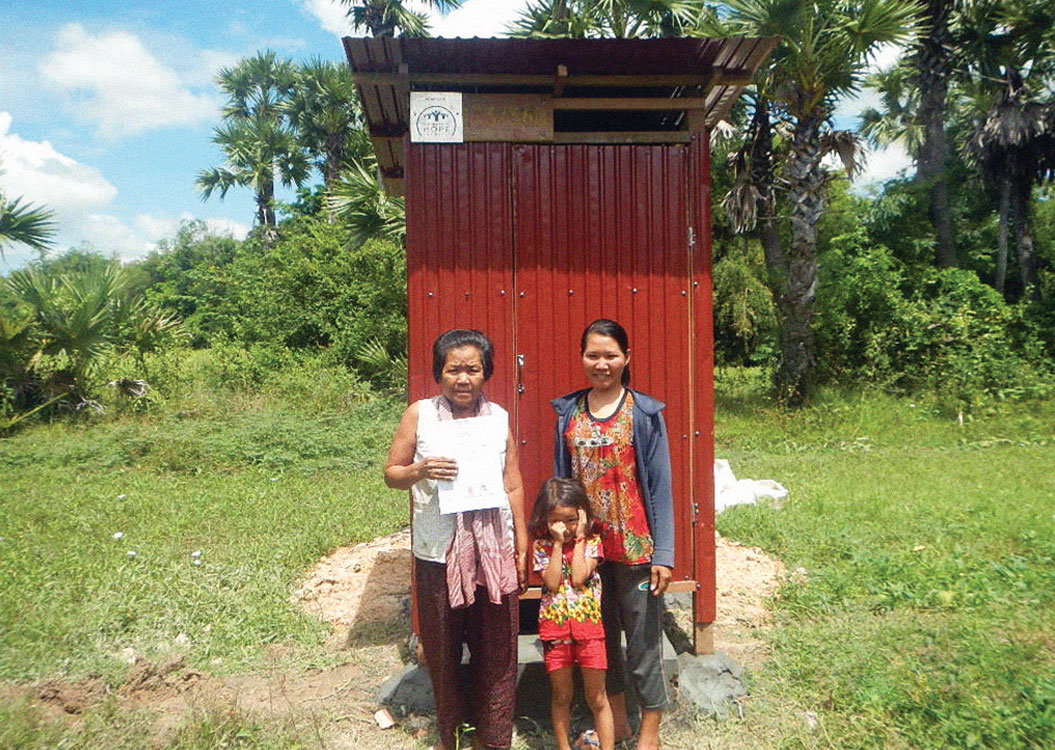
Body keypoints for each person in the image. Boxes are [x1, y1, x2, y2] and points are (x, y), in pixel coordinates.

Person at [384, 329, 528, 750]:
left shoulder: (498, 417)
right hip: (438, 551)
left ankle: (494, 738)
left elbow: (513, 483)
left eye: (472, 369)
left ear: (486, 373)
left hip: (493, 551)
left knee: (498, 652)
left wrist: (520, 541)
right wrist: (420, 470)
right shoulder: (420, 415)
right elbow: (391, 473)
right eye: (453, 370)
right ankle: (451, 736)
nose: (462, 379)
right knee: (443, 650)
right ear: (438, 373)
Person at [551, 319, 674, 750]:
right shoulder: (568, 413)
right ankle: (617, 725)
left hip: (638, 549)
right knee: (600, 644)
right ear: (582, 357)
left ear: (626, 359)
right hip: (589, 555)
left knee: (643, 646)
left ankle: (650, 734)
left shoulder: (643, 414)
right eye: (592, 355)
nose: (601, 364)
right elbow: (560, 488)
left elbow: (659, 487)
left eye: (610, 355)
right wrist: (563, 546)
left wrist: (666, 552)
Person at [530, 478, 615, 750]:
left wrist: (578, 537)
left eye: (569, 519)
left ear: (581, 514)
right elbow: (552, 582)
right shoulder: (541, 548)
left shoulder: (591, 542)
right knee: (561, 696)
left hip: (589, 631)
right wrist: (556, 545)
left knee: (598, 696)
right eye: (556, 521)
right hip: (555, 633)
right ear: (545, 519)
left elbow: (579, 576)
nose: (563, 527)